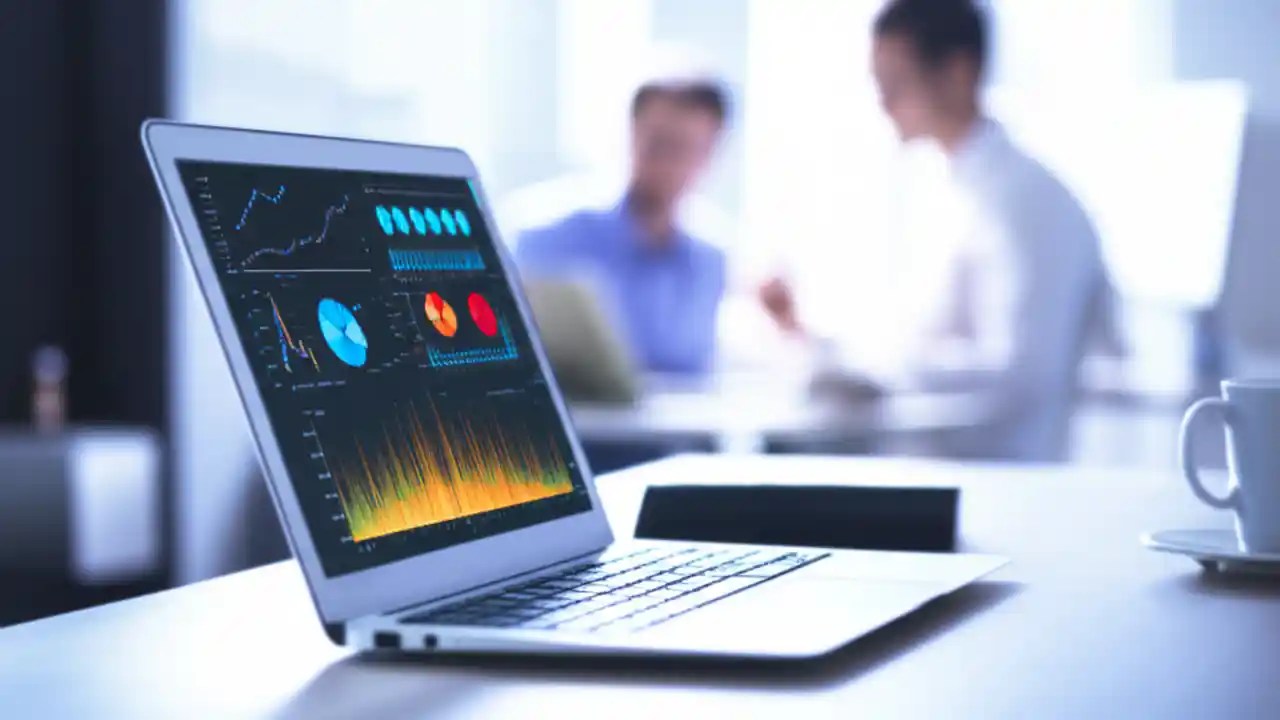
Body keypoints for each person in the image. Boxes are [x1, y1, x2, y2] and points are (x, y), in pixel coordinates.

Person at [763, 0, 1113, 462]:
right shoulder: (948, 189)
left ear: (958, 71)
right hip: (932, 467)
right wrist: (820, 346)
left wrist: (882, 374)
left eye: (895, 83)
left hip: (998, 480)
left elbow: (1019, 377)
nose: (882, 102)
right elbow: (920, 344)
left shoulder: (1028, 202)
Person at [514, 69, 731, 376]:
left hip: (681, 423)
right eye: (657, 144)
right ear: (631, 133)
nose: (668, 164)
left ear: (710, 152)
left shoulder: (711, 260)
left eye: (684, 148)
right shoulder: (545, 237)